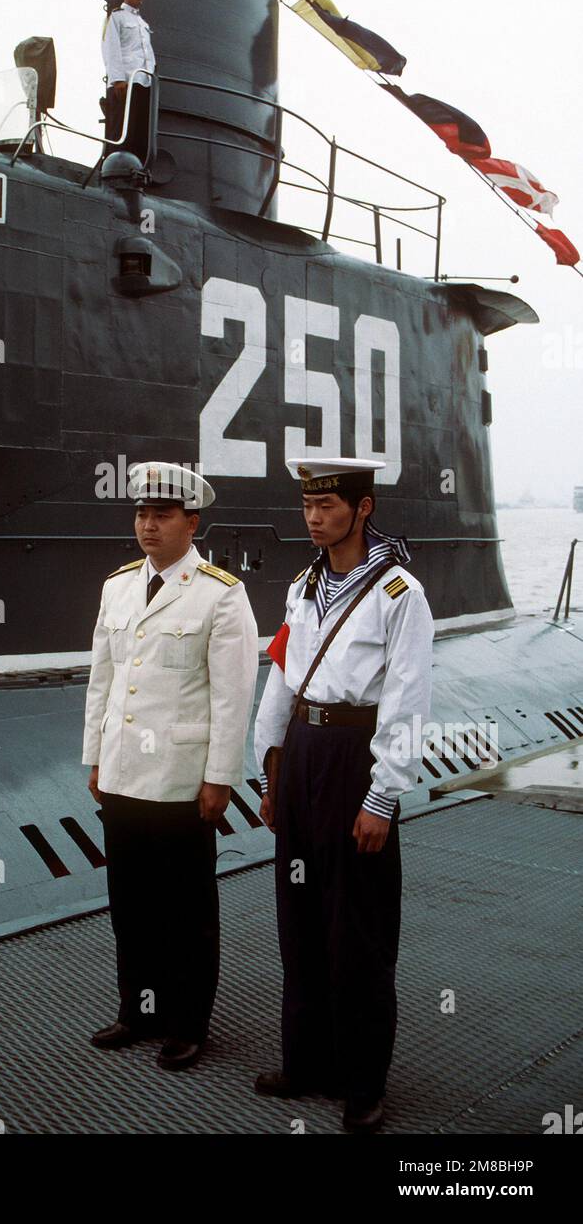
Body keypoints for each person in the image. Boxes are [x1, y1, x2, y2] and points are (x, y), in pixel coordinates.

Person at [252, 457, 434, 1132]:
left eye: (327, 505)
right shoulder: (302, 586)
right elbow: (282, 678)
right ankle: (305, 1062)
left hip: (354, 756)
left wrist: (383, 795)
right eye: (306, 505)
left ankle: (362, 1083)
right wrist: (268, 766)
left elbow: (408, 697)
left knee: (354, 927)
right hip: (302, 752)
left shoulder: (397, 593)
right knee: (297, 920)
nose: (312, 515)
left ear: (361, 509)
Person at [83, 460, 258, 1070]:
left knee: (186, 912)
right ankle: (139, 1011)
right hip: (125, 775)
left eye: (161, 515)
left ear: (193, 523)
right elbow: (102, 682)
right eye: (141, 514)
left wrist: (219, 779)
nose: (148, 525)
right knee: (130, 905)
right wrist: (95, 760)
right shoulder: (118, 586)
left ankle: (187, 1024)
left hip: (182, 782)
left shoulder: (221, 594)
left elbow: (233, 697)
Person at [101, 0, 155, 161]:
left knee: (139, 134)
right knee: (120, 132)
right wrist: (117, 80)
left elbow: (147, 55)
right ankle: (115, 166)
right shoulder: (116, 17)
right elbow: (111, 49)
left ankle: (136, 168)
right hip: (125, 84)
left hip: (143, 84)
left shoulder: (142, 23)